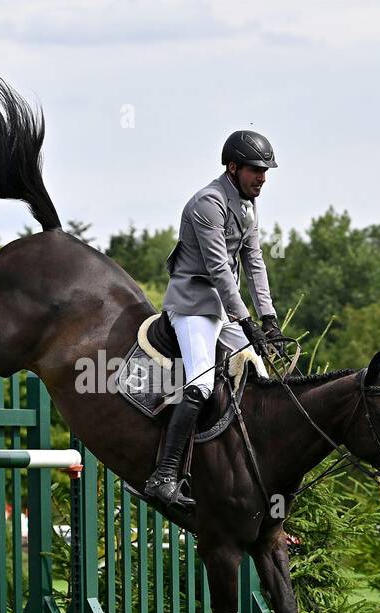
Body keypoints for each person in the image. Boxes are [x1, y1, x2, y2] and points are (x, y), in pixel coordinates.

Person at [143, 129, 283, 513]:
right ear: (233, 167)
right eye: (257, 170)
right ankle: (165, 475)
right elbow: (220, 268)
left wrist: (268, 318)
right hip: (192, 305)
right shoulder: (208, 203)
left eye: (266, 171)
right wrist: (245, 318)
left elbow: (254, 263)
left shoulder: (248, 205)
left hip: (222, 308)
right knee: (202, 385)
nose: (263, 178)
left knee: (263, 381)